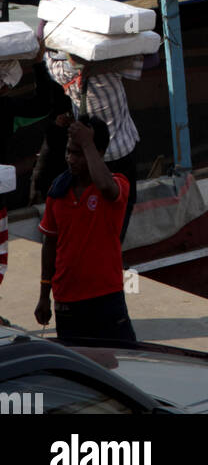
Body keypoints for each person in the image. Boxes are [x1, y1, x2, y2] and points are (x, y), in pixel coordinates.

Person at [35, 115, 136, 345]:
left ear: (98, 152)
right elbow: (49, 243)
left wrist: (87, 141)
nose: (71, 159)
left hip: (106, 299)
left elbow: (105, 186)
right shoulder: (57, 192)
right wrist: (44, 295)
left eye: (78, 153)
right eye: (69, 151)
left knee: (122, 364)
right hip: (67, 302)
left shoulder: (118, 184)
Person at [42, 24, 143, 243]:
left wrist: (48, 18)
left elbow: (46, 47)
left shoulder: (63, 72)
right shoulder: (111, 65)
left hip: (90, 163)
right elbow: (147, 57)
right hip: (121, 156)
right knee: (118, 218)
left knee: (92, 217)